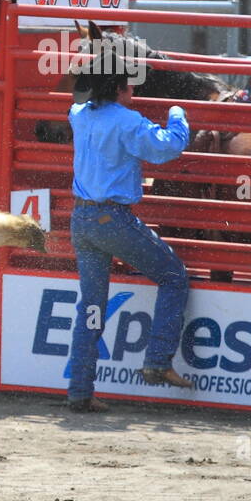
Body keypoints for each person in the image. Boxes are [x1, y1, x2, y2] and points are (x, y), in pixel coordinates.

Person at [64, 52, 193, 413]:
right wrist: (178, 114)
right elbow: (168, 146)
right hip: (112, 220)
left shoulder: (78, 115)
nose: (134, 87)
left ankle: (79, 390)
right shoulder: (127, 122)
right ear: (120, 87)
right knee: (173, 277)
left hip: (82, 221)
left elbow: (82, 103)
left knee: (91, 308)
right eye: (130, 82)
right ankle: (158, 360)